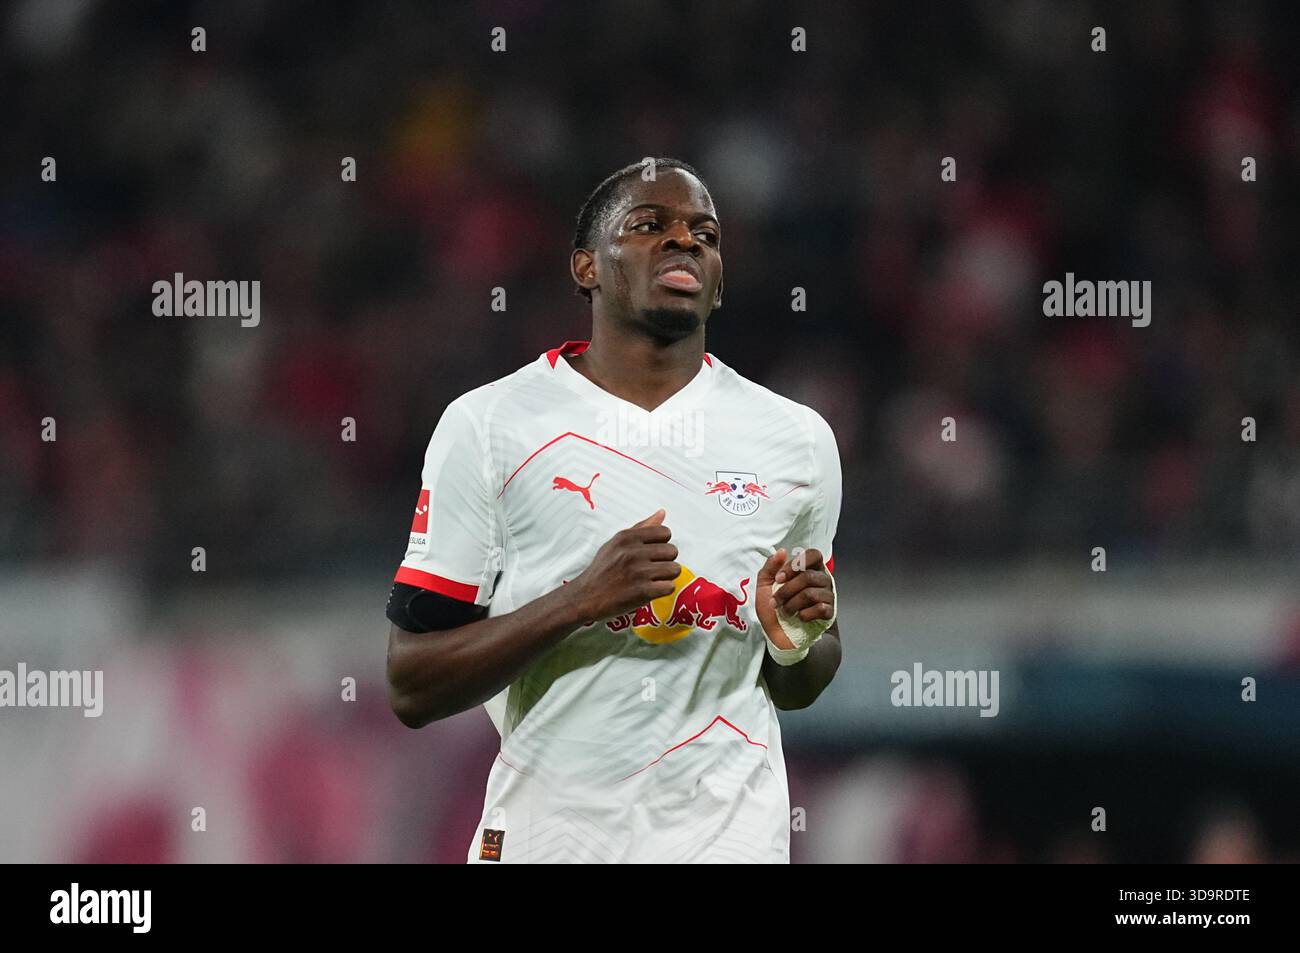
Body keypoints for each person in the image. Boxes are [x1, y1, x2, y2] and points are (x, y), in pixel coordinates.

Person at [384, 158, 843, 863]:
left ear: (718, 282)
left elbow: (801, 678)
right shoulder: (489, 426)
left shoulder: (798, 442)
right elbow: (412, 682)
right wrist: (577, 602)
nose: (684, 241)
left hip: (729, 843)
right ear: (588, 267)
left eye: (706, 234)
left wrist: (793, 638)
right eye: (649, 225)